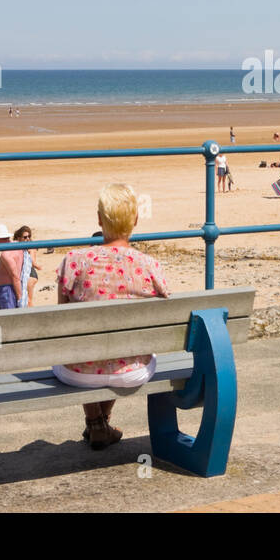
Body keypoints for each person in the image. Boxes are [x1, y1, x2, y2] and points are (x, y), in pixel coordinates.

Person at [53, 183, 170, 449]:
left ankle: (96, 423)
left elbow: (62, 324)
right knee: (119, 347)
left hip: (77, 372)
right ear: (136, 220)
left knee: (84, 347)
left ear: (99, 219)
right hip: (132, 371)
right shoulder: (149, 265)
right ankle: (101, 423)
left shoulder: (73, 261)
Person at [0, 224, 25, 309]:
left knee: (9, 318)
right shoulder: (17, 246)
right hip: (17, 286)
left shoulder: (6, 254)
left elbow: (14, 276)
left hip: (7, 290)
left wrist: (20, 298)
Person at [13, 225, 39, 307]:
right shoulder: (15, 247)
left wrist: (38, 266)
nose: (27, 239)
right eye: (25, 237)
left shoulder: (31, 247)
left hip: (30, 275)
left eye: (29, 236)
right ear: (18, 238)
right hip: (22, 275)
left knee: (28, 300)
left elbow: (33, 262)